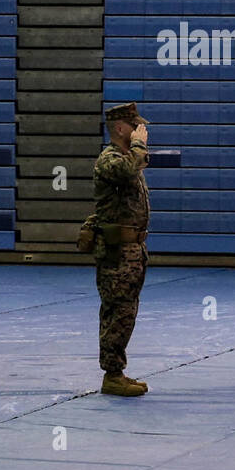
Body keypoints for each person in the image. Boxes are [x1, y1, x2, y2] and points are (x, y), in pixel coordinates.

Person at [91, 102, 151, 397]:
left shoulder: (125, 157)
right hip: (117, 252)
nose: (140, 130)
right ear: (119, 128)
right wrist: (139, 146)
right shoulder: (111, 159)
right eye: (134, 125)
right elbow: (128, 172)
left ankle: (117, 370)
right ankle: (112, 374)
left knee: (126, 311)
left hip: (131, 249)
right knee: (118, 311)